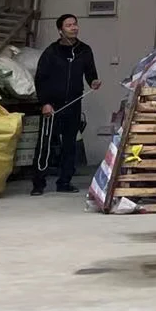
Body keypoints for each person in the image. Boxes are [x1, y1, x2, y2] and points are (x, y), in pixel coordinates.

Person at [32, 13, 101, 194]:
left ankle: (64, 182)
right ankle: (38, 184)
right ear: (60, 30)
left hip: (73, 103)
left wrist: (93, 81)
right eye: (69, 25)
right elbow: (40, 79)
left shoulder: (84, 50)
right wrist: (45, 103)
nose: (74, 27)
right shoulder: (51, 52)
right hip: (52, 105)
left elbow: (90, 73)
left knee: (70, 144)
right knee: (45, 143)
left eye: (75, 24)